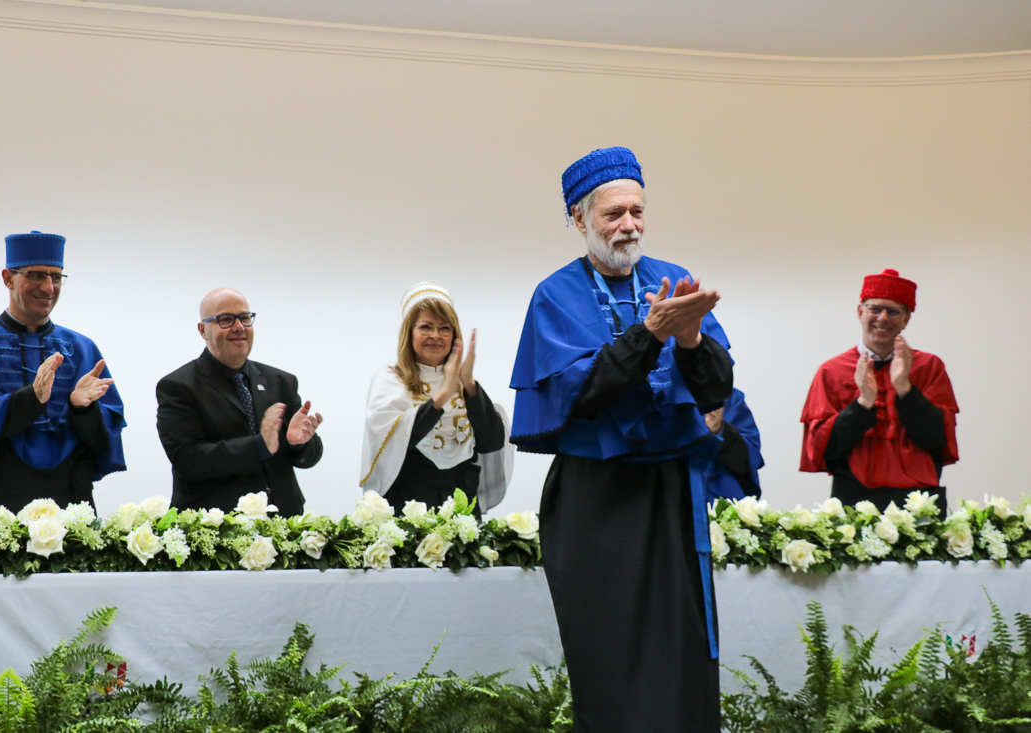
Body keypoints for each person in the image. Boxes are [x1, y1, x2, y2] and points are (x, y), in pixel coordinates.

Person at [510, 147, 733, 732]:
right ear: (579, 221)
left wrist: (687, 339)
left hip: (669, 494)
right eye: (612, 214)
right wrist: (650, 332)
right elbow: (580, 392)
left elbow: (715, 390)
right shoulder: (555, 294)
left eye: (636, 210)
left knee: (681, 653)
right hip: (596, 502)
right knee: (607, 656)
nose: (628, 225)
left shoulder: (670, 279)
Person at [0, 231, 126, 535]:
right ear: (8, 278)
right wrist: (30, 398)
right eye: (36, 275)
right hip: (0, 500)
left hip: (71, 502)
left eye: (56, 277)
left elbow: (104, 440)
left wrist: (81, 408)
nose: (48, 287)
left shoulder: (83, 347)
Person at [800, 268, 958, 515]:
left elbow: (937, 438)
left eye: (894, 311)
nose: (883, 318)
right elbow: (823, 449)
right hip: (854, 498)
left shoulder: (930, 367)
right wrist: (863, 403)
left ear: (906, 319)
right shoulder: (831, 371)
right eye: (875, 308)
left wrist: (904, 387)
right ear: (860, 312)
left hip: (919, 501)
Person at [156, 288, 323, 516]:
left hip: (284, 523)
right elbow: (188, 460)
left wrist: (299, 443)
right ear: (202, 330)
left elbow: (307, 458)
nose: (239, 327)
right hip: (217, 527)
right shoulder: (178, 386)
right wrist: (259, 445)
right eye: (225, 319)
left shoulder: (281, 381)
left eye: (245, 318)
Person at [360, 282, 512, 514]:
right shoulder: (390, 379)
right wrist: (442, 397)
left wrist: (468, 383)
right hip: (410, 507)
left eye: (444, 328)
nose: (435, 335)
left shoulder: (466, 385)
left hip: (462, 509)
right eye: (425, 327)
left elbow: (492, 442)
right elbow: (393, 442)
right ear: (409, 333)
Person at [703, 388, 763, 501]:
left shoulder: (729, 397)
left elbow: (750, 457)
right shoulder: (663, 395)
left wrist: (719, 429)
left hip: (719, 497)